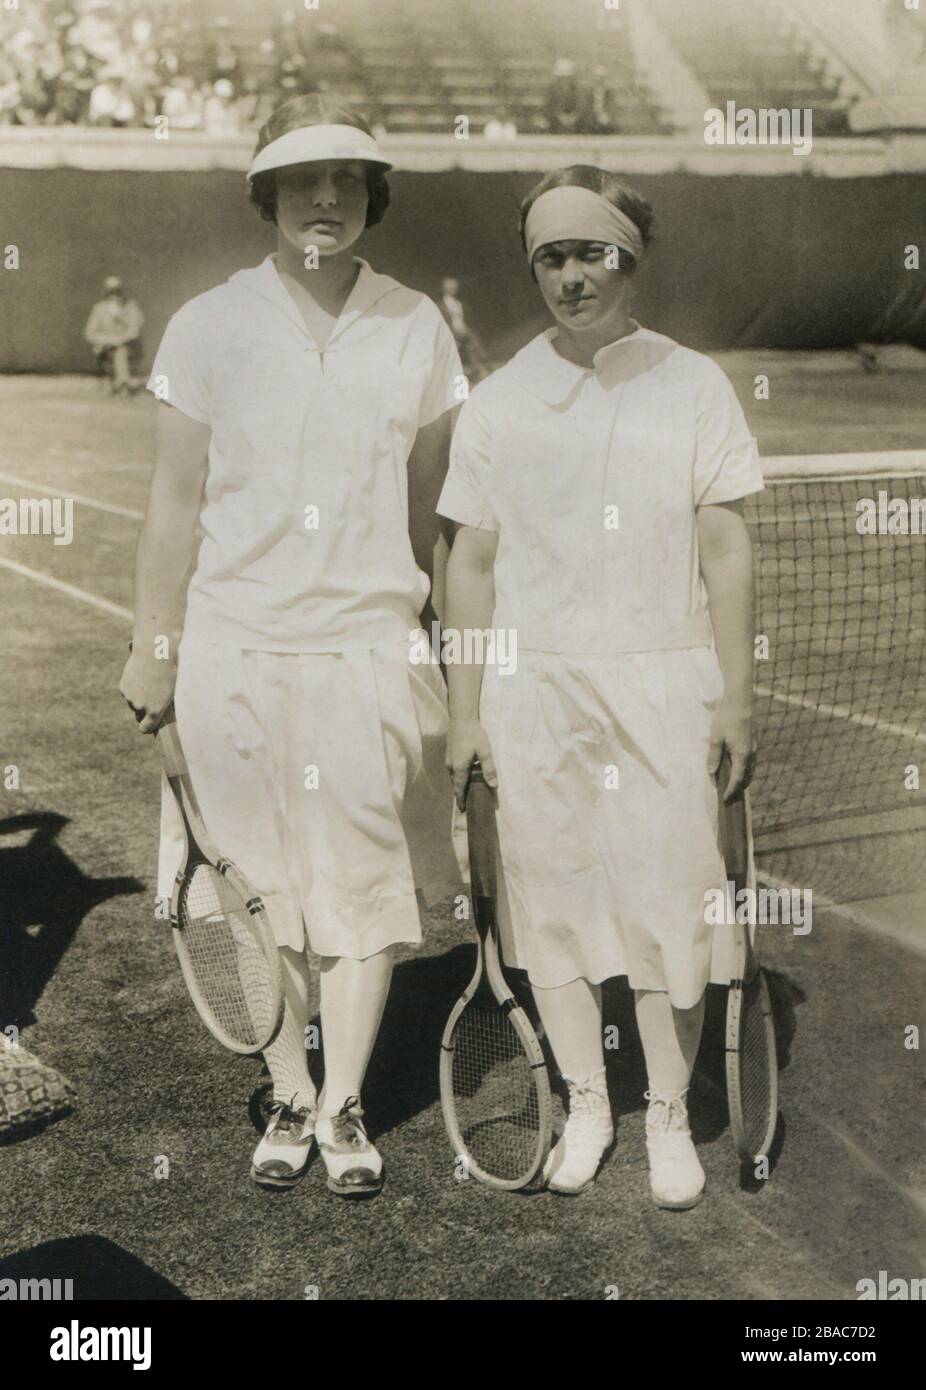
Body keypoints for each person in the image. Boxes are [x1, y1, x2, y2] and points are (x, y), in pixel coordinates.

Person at [119, 94, 463, 1199]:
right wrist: (154, 646)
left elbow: (431, 509)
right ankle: (289, 1090)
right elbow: (173, 503)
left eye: (348, 179)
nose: (326, 198)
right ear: (266, 195)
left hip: (368, 646)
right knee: (257, 886)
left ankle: (345, 1100)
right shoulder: (208, 323)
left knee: (362, 883)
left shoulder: (416, 325)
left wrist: (458, 649)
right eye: (304, 180)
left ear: (372, 197)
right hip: (233, 644)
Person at [439, 166, 762, 1205]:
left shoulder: (695, 384)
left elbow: (725, 550)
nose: (570, 276)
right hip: (533, 691)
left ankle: (665, 1107)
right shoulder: (498, 401)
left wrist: (734, 694)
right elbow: (470, 565)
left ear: (630, 257)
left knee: (671, 901)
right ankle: (586, 1100)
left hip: (667, 682)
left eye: (590, 253)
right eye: (550, 257)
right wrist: (464, 711)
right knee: (552, 901)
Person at [83, 275, 144, 393]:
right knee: (113, 350)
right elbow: (89, 333)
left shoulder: (131, 307)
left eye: (117, 291)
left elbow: (135, 330)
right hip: (106, 347)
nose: (114, 295)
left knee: (120, 350)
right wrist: (108, 340)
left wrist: (120, 338)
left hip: (128, 346)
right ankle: (120, 383)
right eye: (110, 291)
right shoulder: (99, 308)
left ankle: (123, 383)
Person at [439, 276, 489, 385]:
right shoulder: (441, 306)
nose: (455, 289)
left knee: (474, 349)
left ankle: (481, 371)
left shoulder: (459, 303)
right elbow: (443, 324)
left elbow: (466, 318)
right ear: (445, 289)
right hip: (453, 334)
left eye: (455, 287)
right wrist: (451, 336)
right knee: (458, 357)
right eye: (452, 287)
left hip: (464, 330)